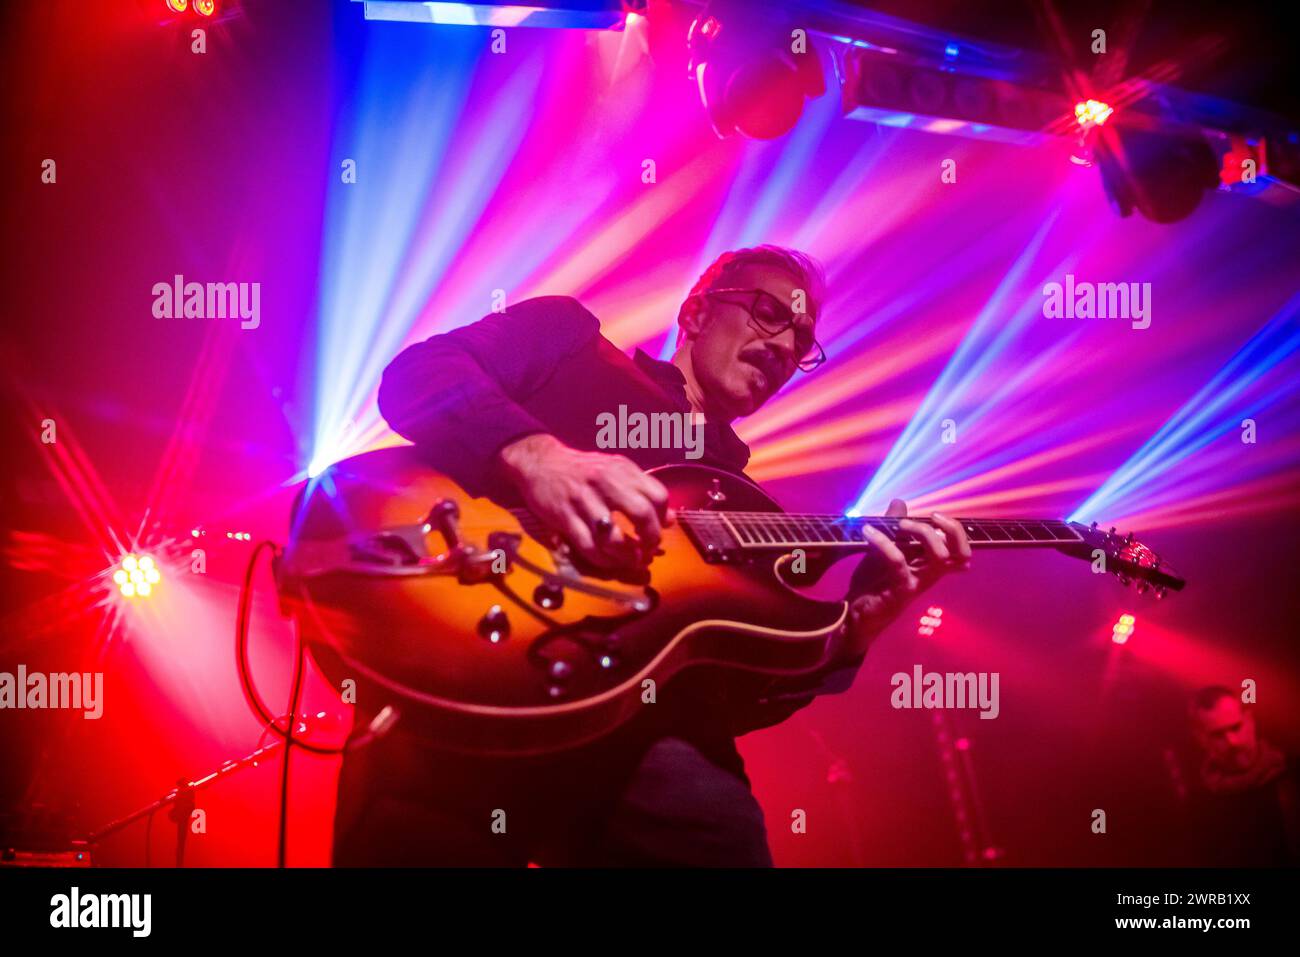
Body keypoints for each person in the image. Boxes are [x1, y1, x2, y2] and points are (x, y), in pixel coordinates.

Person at [331, 245, 972, 866]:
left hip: (647, 741)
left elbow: (738, 698)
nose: (783, 346)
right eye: (770, 313)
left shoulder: (757, 516)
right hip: (459, 672)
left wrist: (860, 623)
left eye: (801, 341)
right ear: (695, 311)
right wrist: (534, 453)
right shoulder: (570, 340)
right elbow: (420, 375)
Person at [1184, 685, 1300, 866]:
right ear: (1201, 739)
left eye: (1236, 727)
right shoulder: (1199, 804)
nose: (1232, 742)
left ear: (1250, 720)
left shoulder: (1292, 775)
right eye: (1217, 734)